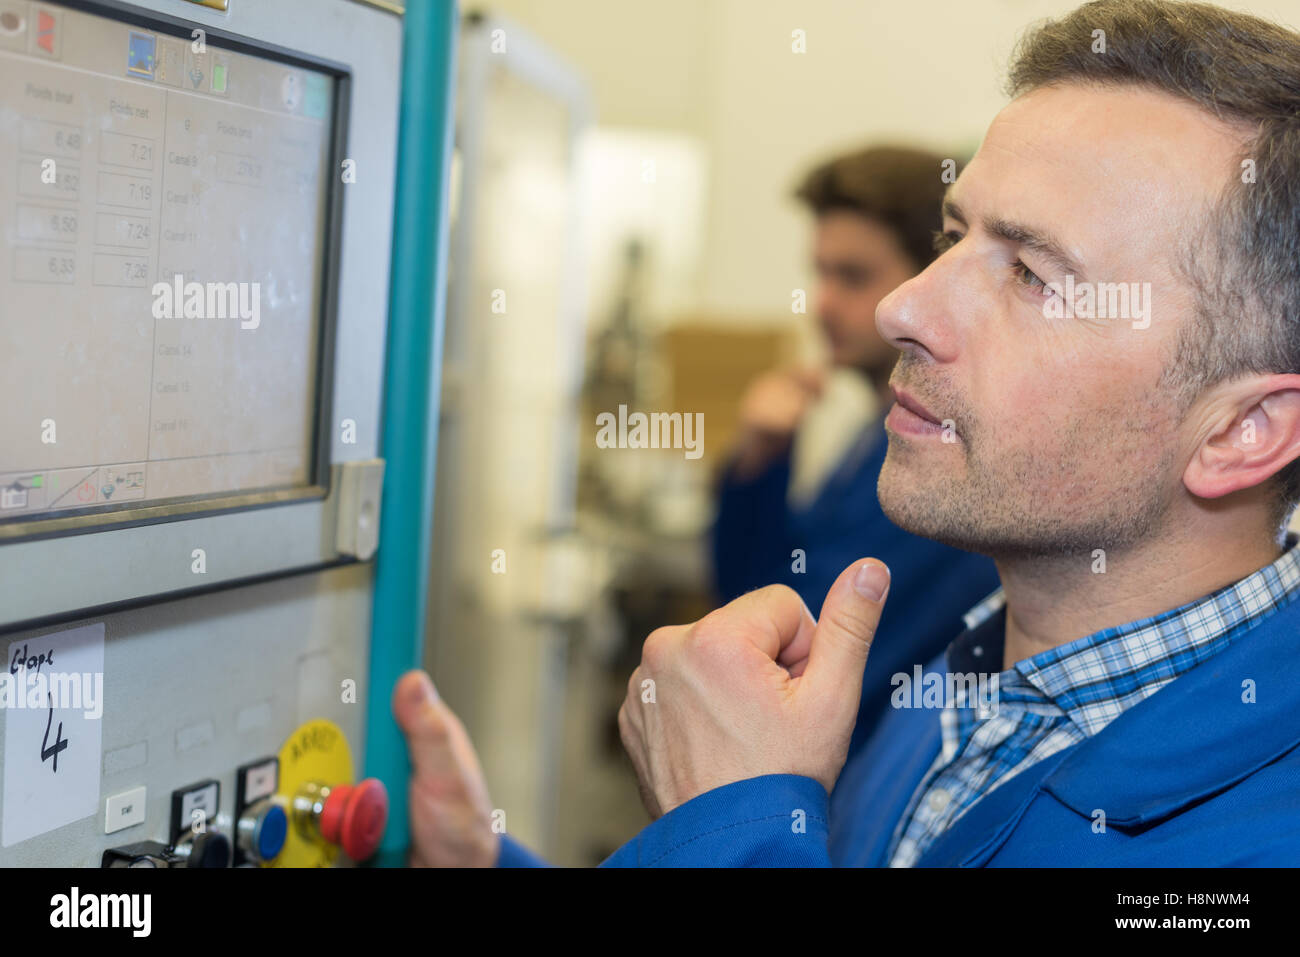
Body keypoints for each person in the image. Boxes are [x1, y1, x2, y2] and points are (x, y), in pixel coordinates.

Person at [395, 0, 1300, 866]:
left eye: (1030, 273)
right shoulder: (975, 676)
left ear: (1244, 430)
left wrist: (733, 824)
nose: (901, 306)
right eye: (954, 238)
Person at [712, 146, 998, 751]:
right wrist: (758, 464)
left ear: (929, 279)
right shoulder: (875, 432)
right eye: (819, 272)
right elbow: (752, 600)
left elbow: (789, 663)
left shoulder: (945, 457)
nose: (821, 302)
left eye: (853, 276)